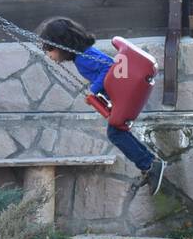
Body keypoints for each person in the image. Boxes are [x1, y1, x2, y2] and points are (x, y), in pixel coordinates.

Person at [37, 16, 166, 193]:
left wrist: (94, 89)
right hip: (121, 95)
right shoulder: (82, 57)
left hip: (126, 94)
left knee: (115, 132)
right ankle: (149, 165)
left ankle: (150, 164)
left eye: (49, 49)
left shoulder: (84, 57)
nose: (48, 55)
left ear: (61, 44)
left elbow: (109, 67)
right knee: (117, 131)